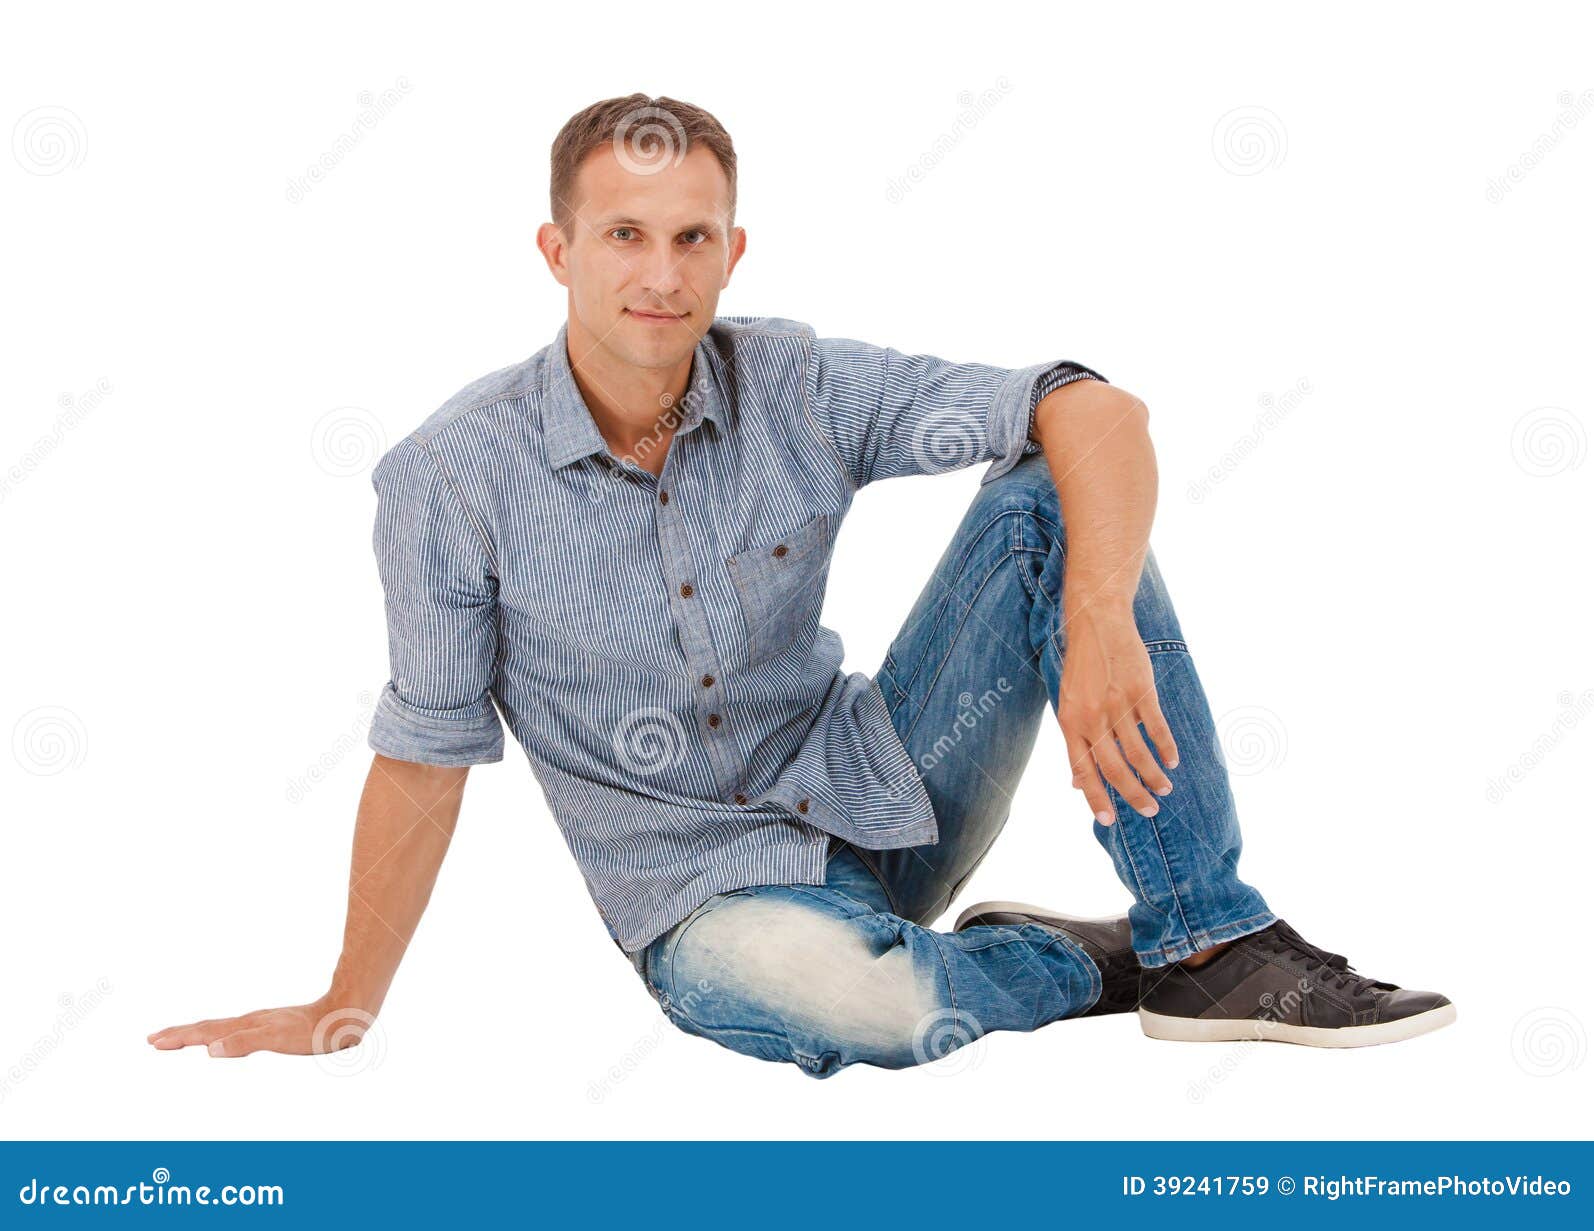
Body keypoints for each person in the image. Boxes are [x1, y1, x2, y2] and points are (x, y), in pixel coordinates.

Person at [148, 94, 1453, 1077]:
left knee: (1053, 487)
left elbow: (1093, 411)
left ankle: (1209, 940)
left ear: (733, 249)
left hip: (890, 795)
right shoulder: (451, 479)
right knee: (877, 1007)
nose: (660, 274)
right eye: (623, 235)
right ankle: (1078, 959)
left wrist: (1099, 610)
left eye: (691, 237)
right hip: (710, 906)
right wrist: (346, 996)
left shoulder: (794, 381)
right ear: (556, 249)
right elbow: (425, 760)